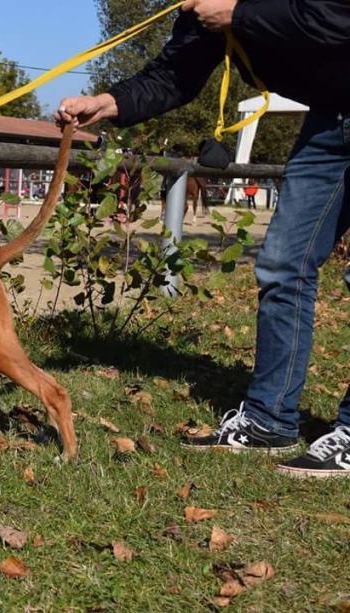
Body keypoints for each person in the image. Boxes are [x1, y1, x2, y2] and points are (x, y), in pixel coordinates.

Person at [56, 0, 350, 478]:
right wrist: (106, 104)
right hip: (329, 123)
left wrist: (240, 14)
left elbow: (335, 16)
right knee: (283, 264)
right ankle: (269, 420)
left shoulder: (232, 10)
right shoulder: (208, 13)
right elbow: (175, 75)